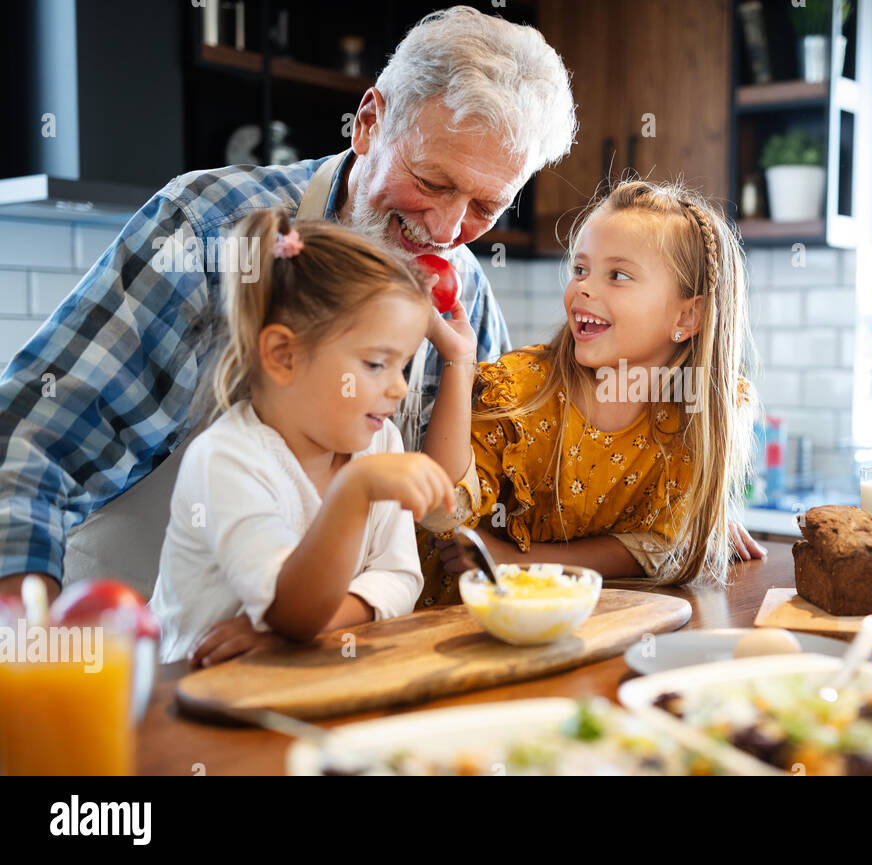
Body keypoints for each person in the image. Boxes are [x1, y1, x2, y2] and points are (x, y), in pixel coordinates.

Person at [0, 7, 577, 600]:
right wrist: (29, 635)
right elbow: (30, 446)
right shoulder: (208, 230)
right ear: (370, 124)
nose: (449, 228)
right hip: (146, 657)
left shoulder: (467, 298)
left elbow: (472, 510)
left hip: (342, 666)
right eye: (433, 182)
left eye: (486, 207)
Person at [417, 181, 757, 592]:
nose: (583, 288)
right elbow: (441, 515)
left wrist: (518, 561)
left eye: (617, 275)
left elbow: (651, 546)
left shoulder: (697, 411)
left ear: (688, 316)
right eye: (580, 269)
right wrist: (458, 361)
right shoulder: (518, 390)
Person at [150, 212, 457, 666]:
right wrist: (355, 492)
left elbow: (398, 578)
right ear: (283, 356)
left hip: (306, 673)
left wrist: (300, 631)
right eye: (376, 364)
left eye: (403, 366)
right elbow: (291, 611)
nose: (400, 388)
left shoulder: (380, 441)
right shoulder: (227, 459)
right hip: (198, 698)